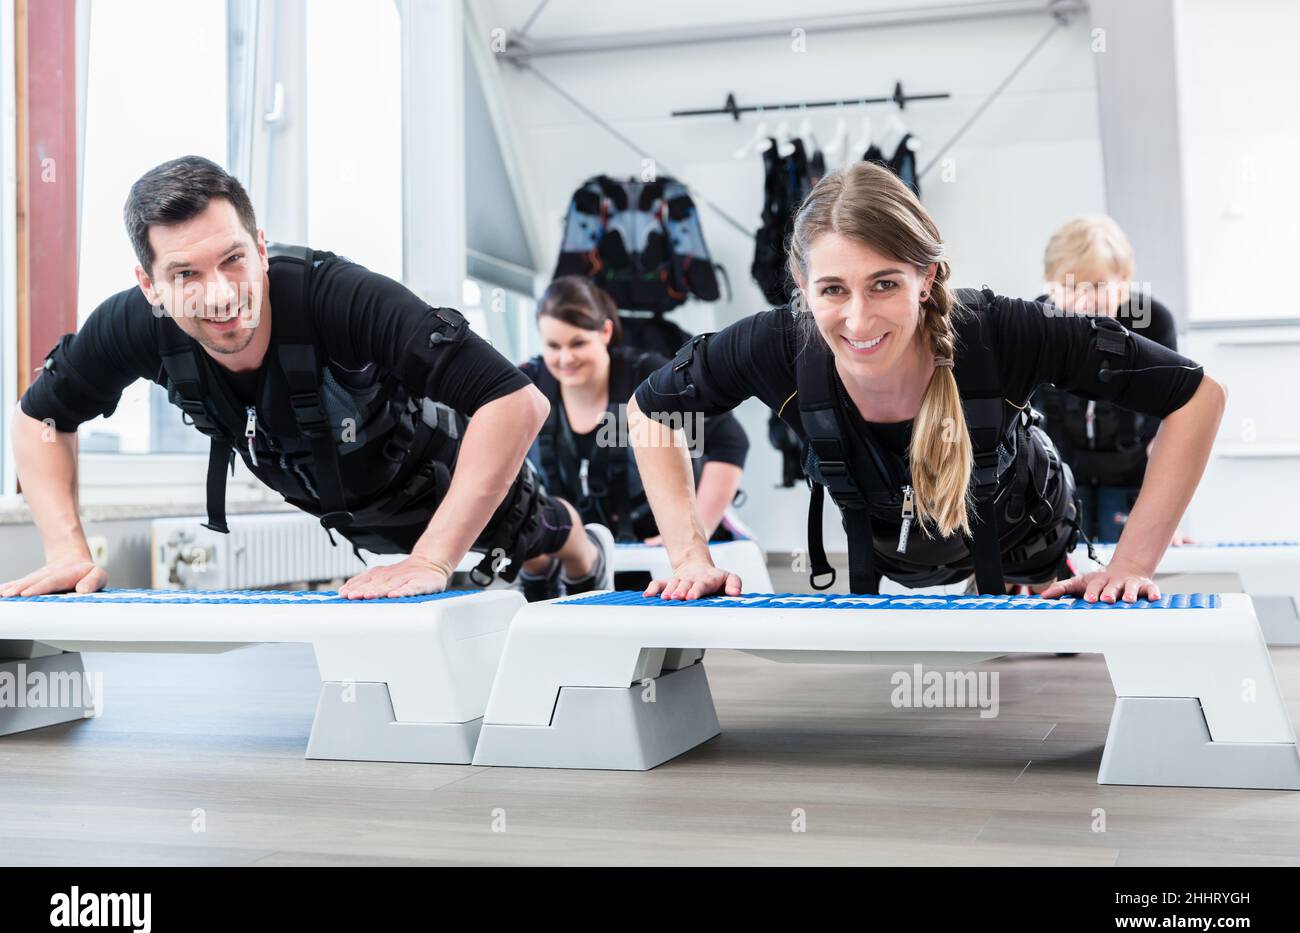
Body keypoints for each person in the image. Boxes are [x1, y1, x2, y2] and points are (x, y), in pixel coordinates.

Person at [1, 155, 613, 601]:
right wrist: (66, 551)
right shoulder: (131, 326)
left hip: (440, 473)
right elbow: (40, 417)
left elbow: (517, 402)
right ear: (149, 284)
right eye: (186, 274)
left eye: (234, 259)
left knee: (537, 532)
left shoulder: (340, 296)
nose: (220, 295)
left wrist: (432, 558)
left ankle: (584, 554)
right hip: (343, 504)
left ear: (261, 247)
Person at [625, 161, 1225, 603]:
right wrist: (688, 555)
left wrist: (1132, 563)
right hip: (891, 550)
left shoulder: (1006, 329)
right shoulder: (773, 343)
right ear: (802, 285)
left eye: (884, 284)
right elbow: (649, 412)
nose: (858, 321)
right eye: (832, 289)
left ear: (927, 277)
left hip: (1027, 534)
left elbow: (1198, 398)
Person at [517, 276, 749, 599]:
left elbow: (729, 442)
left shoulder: (649, 376)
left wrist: (697, 537)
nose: (566, 358)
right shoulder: (530, 384)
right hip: (575, 551)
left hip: (654, 546)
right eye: (554, 346)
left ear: (606, 332)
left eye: (578, 343)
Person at [1033, 215, 1188, 544]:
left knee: (1125, 571)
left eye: (1100, 286)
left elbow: (1166, 424)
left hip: (1131, 477)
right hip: (1060, 475)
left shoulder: (1153, 323)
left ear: (1125, 280)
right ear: (1050, 283)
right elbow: (1019, 421)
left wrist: (1164, 515)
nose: (1085, 300)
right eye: (1072, 287)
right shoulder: (1034, 321)